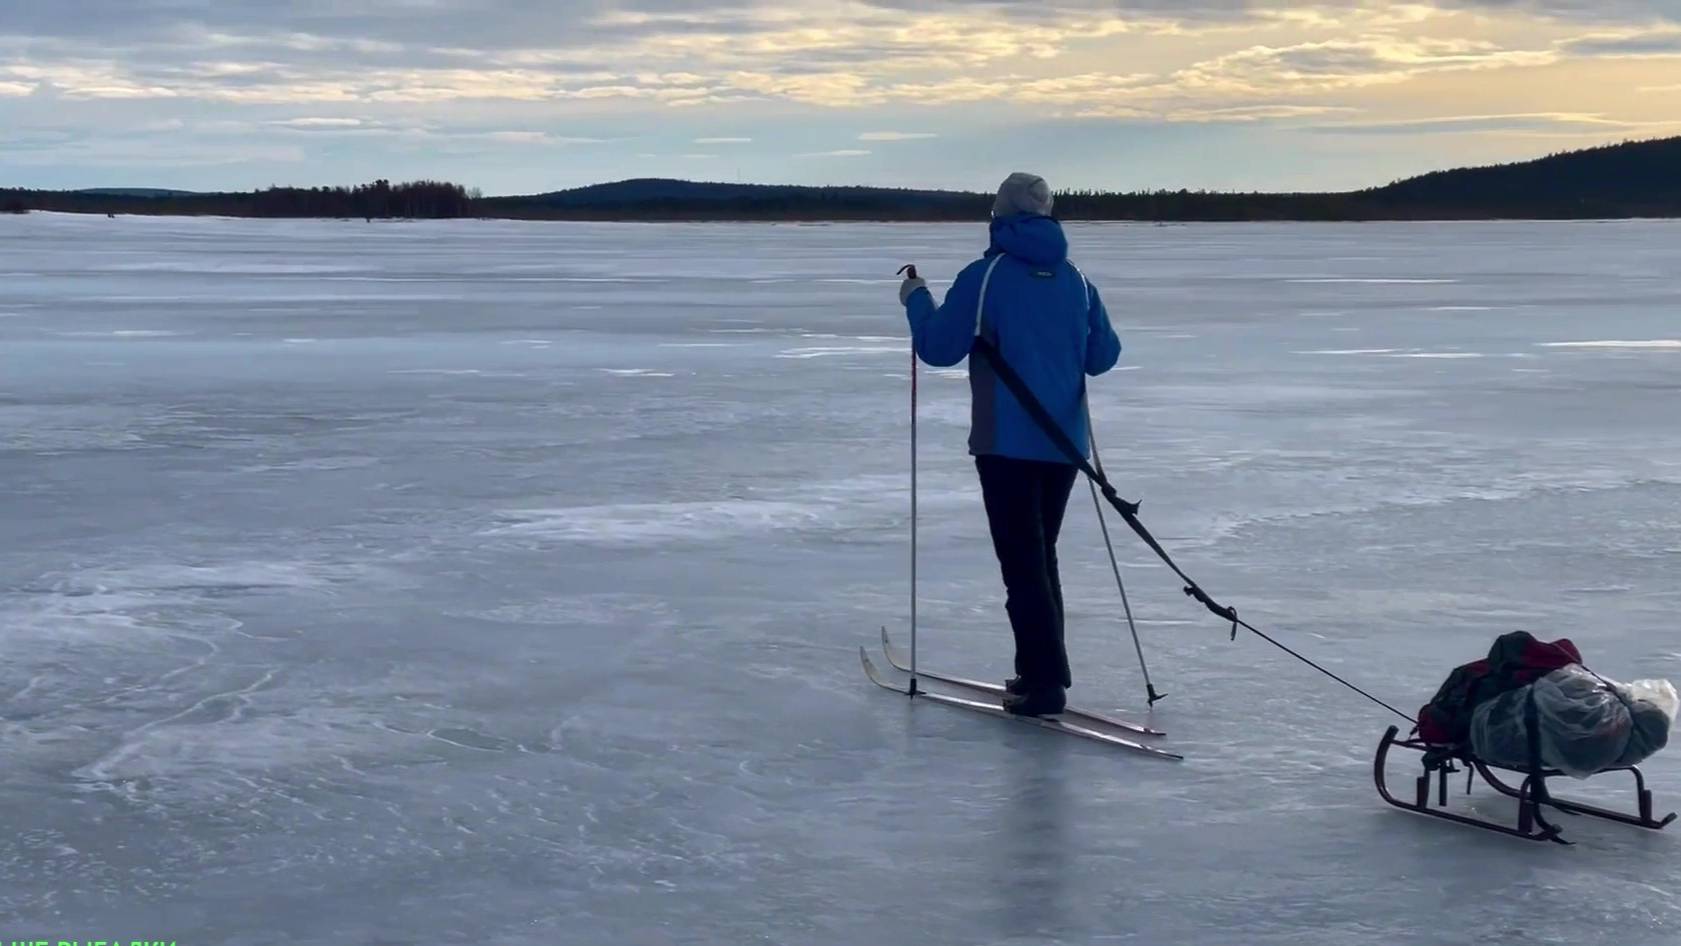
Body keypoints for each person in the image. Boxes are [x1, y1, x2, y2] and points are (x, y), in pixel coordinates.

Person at [897, 172, 1122, 717]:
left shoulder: (987, 276)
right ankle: (1042, 671)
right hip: (1064, 445)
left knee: (1023, 562)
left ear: (998, 216)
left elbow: (938, 348)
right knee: (1039, 557)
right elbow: (1103, 356)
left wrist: (916, 299)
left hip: (1005, 443)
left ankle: (1044, 683)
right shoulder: (1076, 279)